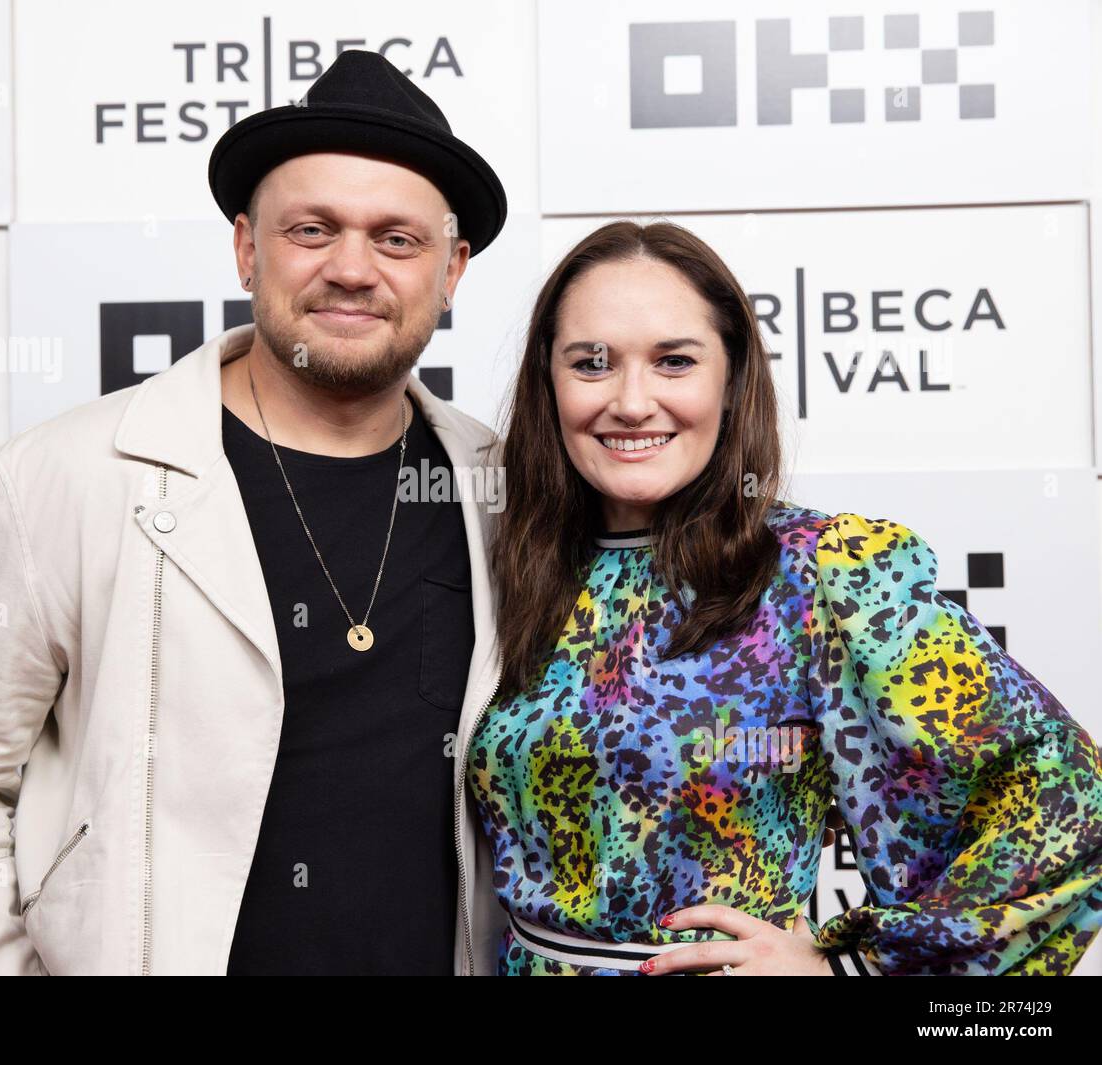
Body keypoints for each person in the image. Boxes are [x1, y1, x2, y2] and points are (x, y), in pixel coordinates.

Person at [0, 49, 511, 975]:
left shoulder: (509, 489)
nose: (353, 268)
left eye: (398, 240)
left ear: (451, 270)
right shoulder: (62, 476)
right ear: (248, 248)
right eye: (313, 229)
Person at [466, 219, 1102, 976]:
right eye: (592, 363)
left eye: (674, 361)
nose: (632, 402)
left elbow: (1069, 800)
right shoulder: (508, 563)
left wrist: (849, 969)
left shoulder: (822, 572)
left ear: (731, 381)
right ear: (550, 381)